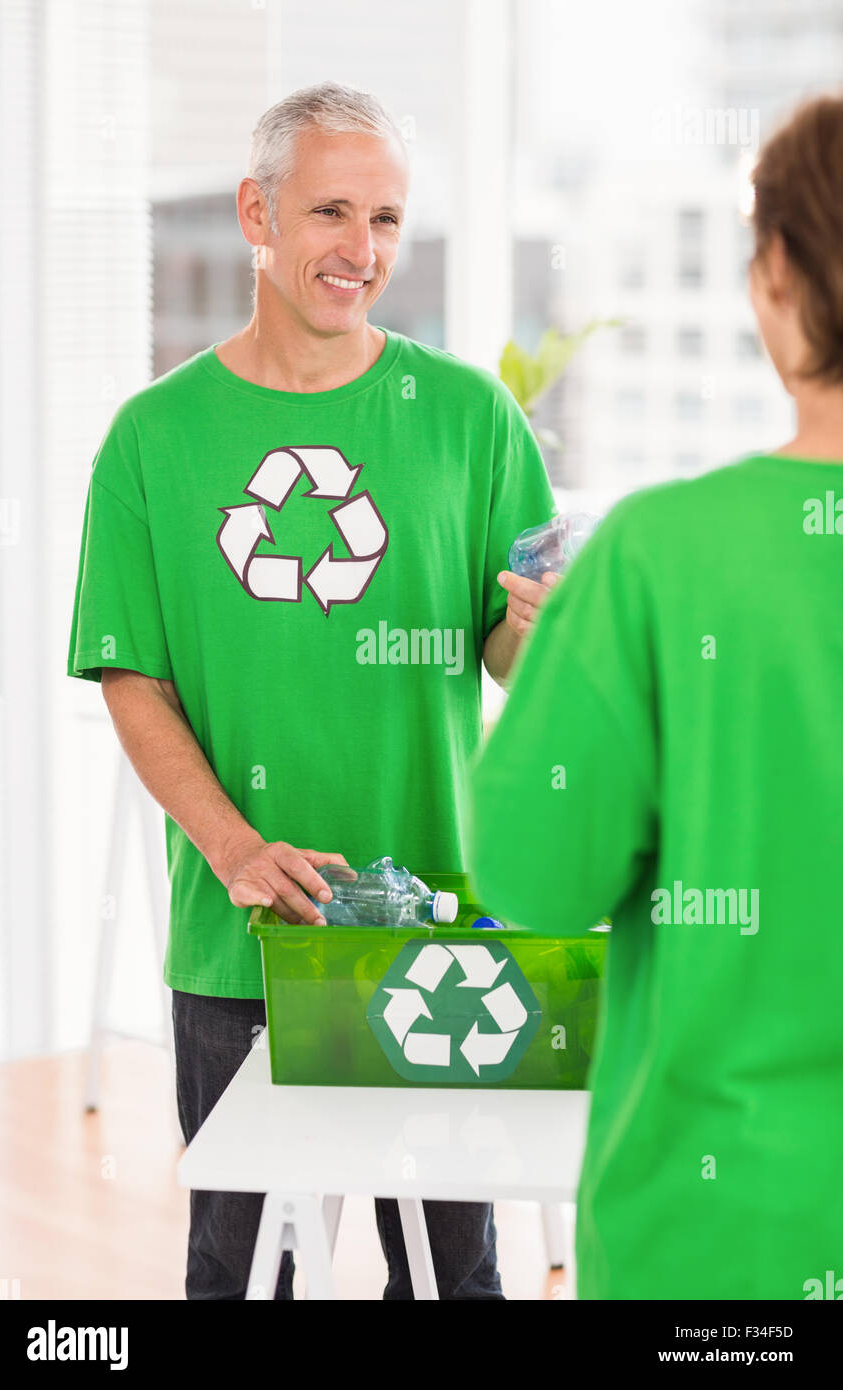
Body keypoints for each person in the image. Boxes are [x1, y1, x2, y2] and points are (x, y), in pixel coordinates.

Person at [66, 80, 557, 1300]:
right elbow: (132, 677)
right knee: (239, 1277)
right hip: (246, 945)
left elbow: (503, 659)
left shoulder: (470, 420)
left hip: (439, 935)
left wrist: (532, 633)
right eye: (331, 211)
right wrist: (232, 847)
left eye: (386, 219)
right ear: (255, 212)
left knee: (454, 1276)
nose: (362, 250)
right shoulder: (150, 439)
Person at [466, 92, 843, 1301]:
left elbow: (532, 875)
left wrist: (570, 658)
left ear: (773, 275)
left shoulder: (659, 556)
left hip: (717, 1236)